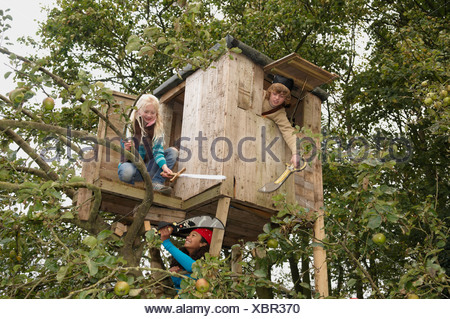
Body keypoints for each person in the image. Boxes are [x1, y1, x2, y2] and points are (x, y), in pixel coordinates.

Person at [117, 94, 178, 195]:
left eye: (152, 113)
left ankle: (156, 182)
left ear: (157, 113)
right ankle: (131, 187)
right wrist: (127, 149)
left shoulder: (157, 129)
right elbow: (124, 150)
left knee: (173, 152)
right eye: (146, 112)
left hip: (149, 169)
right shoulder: (130, 125)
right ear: (139, 110)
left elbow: (158, 152)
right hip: (134, 167)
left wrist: (164, 167)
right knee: (126, 172)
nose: (149, 115)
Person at [262, 75, 301, 168]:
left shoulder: (280, 113)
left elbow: (288, 132)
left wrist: (296, 153)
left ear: (286, 99)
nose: (277, 98)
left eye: (281, 96)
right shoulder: (260, 94)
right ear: (270, 92)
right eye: (274, 94)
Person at [160, 226, 212, 291]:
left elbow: (193, 267)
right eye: (188, 235)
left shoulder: (206, 264)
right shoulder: (180, 261)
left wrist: (167, 243)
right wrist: (173, 274)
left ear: (203, 244)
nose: (187, 237)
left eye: (193, 235)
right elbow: (178, 286)